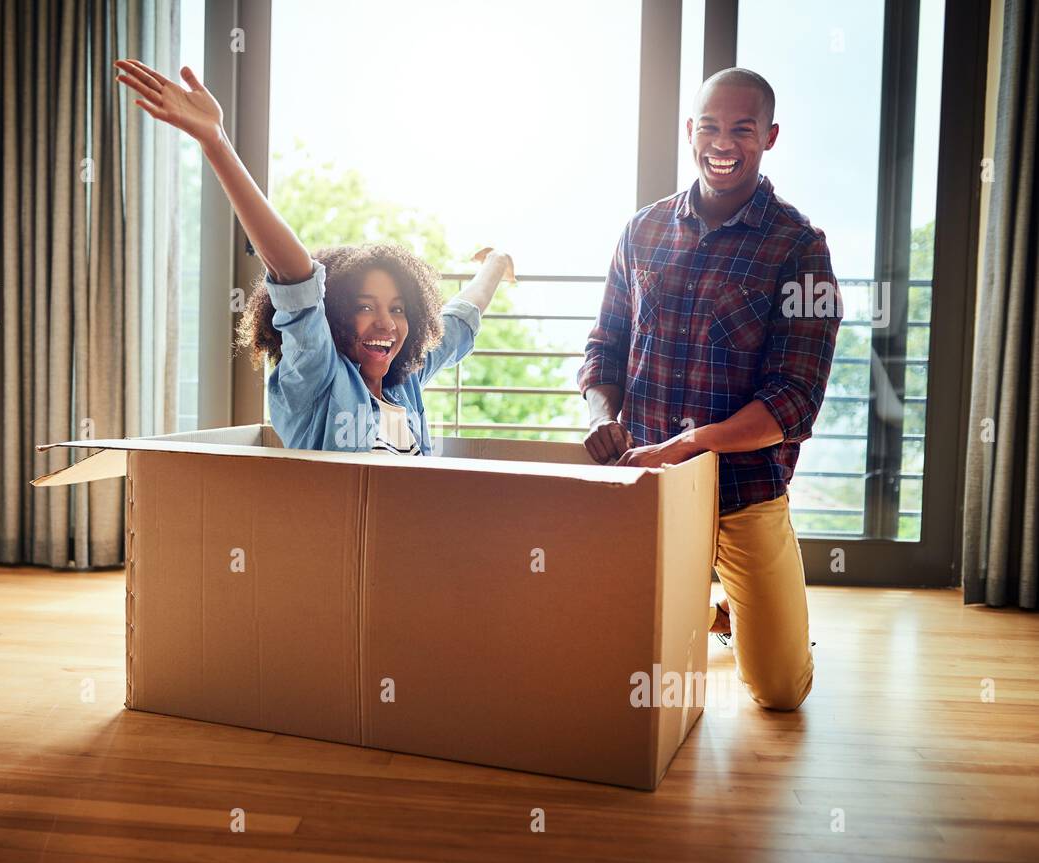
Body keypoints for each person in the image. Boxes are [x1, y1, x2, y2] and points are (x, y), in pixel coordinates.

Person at [579, 68, 842, 711]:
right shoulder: (641, 231)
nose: (723, 143)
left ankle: (739, 610)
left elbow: (793, 402)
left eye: (742, 129)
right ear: (690, 131)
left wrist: (683, 447)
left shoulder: (800, 247)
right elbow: (603, 349)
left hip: (744, 492)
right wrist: (598, 411)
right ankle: (713, 605)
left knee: (780, 692)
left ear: (770, 137)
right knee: (613, 664)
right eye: (710, 127)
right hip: (649, 488)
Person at [115, 59, 515, 455]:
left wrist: (496, 262)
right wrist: (215, 141)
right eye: (364, 306)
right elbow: (296, 277)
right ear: (333, 315)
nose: (386, 323)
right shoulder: (316, 375)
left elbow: (458, 322)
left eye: (397, 308)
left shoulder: (404, 378)